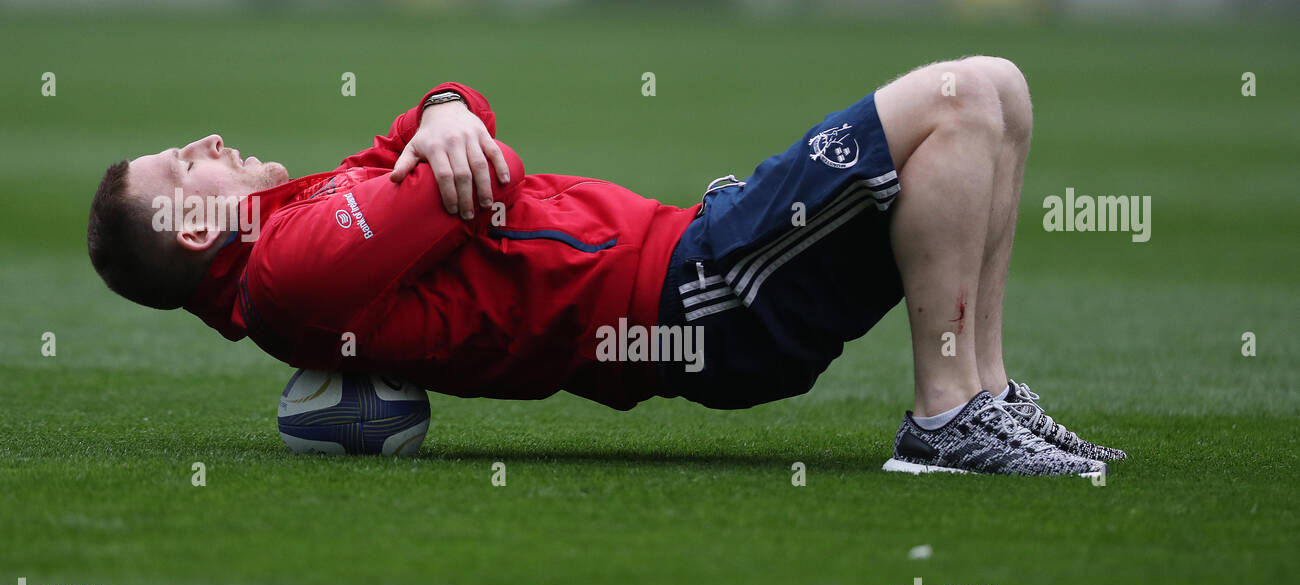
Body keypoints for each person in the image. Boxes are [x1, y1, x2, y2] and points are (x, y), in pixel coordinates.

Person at [87, 56, 1125, 476]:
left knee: (995, 95)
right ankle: (944, 419)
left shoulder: (307, 214)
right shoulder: (287, 272)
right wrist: (447, 134)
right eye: (187, 161)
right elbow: (483, 175)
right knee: (958, 100)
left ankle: (982, 394)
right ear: (186, 227)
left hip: (698, 255)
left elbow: (452, 119)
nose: (209, 141)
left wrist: (442, 112)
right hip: (696, 295)